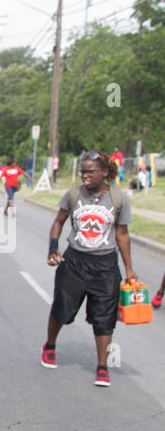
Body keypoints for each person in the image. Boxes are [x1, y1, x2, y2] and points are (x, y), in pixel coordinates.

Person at [40, 151, 135, 386]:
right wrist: (53, 248)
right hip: (74, 261)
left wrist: (129, 268)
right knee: (62, 307)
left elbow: (122, 235)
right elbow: (59, 221)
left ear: (104, 172)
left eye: (89, 171)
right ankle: (50, 345)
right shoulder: (74, 194)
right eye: (82, 171)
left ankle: (102, 367)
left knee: (105, 316)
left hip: (105, 266)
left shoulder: (118, 198)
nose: (84, 175)